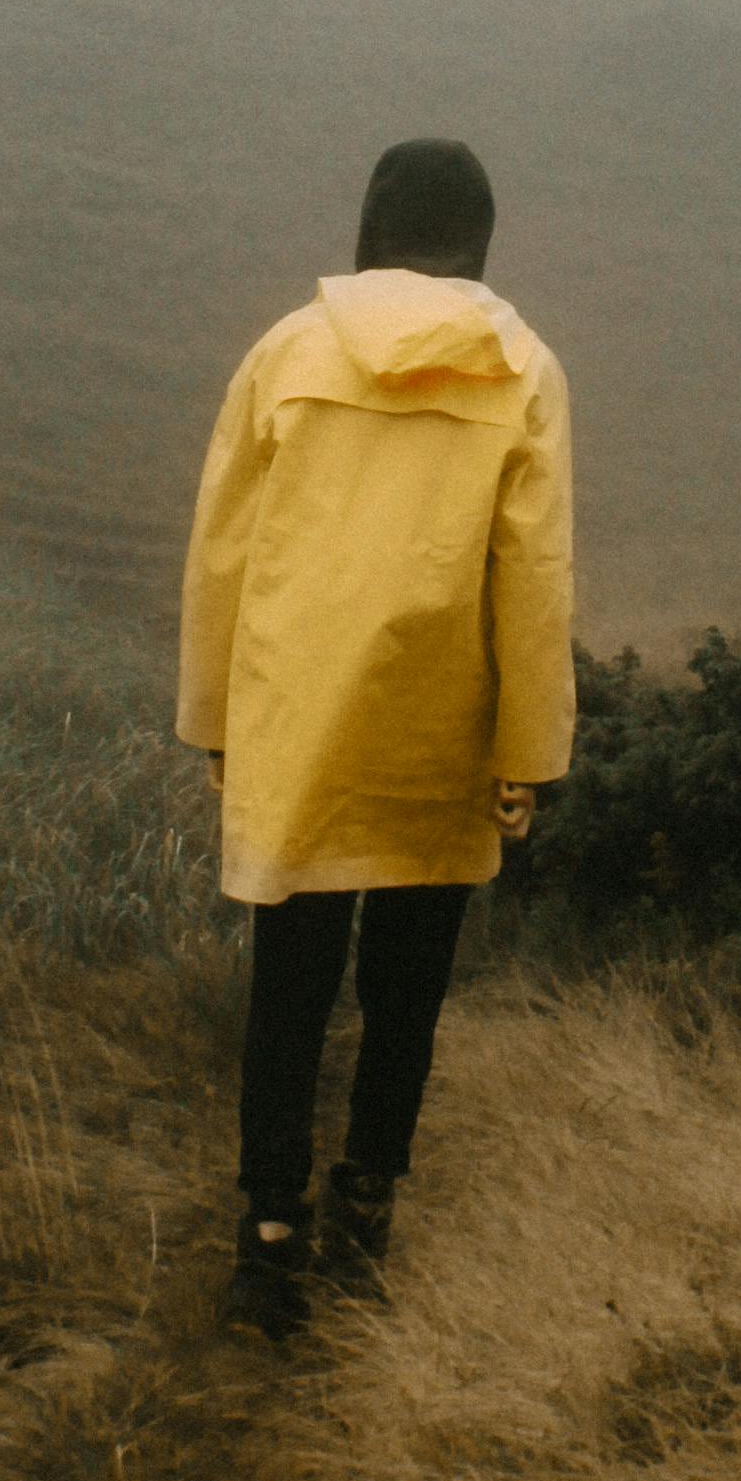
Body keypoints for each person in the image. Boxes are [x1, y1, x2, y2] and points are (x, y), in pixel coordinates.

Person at [176, 135, 574, 1336]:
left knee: (289, 988)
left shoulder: (287, 350)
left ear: (369, 228)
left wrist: (216, 725)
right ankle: (366, 1211)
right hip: (437, 723)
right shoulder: (522, 365)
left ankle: (267, 1239)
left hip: (300, 719)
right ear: (481, 243)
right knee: (408, 986)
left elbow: (223, 555)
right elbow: (534, 575)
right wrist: (526, 752)